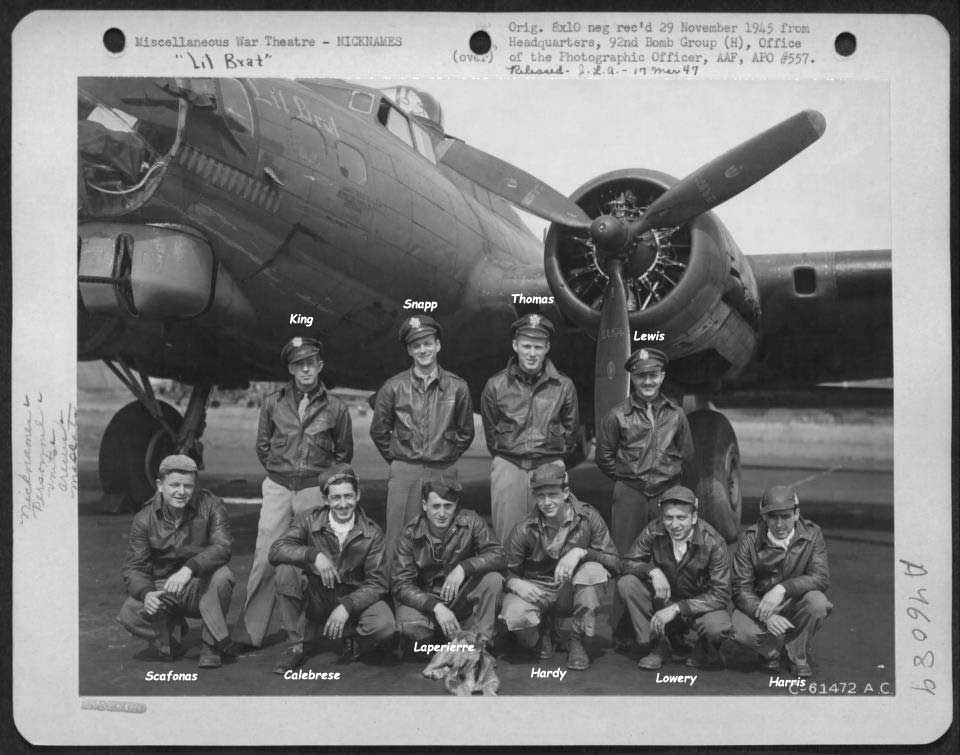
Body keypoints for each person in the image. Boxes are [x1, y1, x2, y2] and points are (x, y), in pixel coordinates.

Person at [235, 336, 354, 648]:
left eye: (310, 363)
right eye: (298, 364)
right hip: (278, 487)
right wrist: (281, 473)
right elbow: (263, 445)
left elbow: (343, 455)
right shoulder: (273, 402)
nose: (305, 370)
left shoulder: (336, 408)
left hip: (314, 489)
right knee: (265, 556)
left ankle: (317, 631)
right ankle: (250, 631)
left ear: (320, 366)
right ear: (290, 368)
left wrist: (320, 486)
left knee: (319, 560)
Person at [595, 347, 693, 644]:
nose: (647, 381)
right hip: (631, 493)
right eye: (641, 376)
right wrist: (630, 477)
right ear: (633, 379)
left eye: (653, 375)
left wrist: (664, 478)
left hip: (665, 494)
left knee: (668, 558)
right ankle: (624, 629)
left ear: (662, 376)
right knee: (626, 557)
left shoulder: (677, 415)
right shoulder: (617, 415)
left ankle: (673, 627)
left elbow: (686, 452)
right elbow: (605, 457)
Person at [268, 465, 396, 673]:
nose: (343, 504)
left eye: (348, 496)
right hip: (317, 595)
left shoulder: (372, 533)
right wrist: (313, 555)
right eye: (336, 498)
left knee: (385, 626)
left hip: (353, 599)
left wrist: (347, 606)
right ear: (325, 499)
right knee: (286, 572)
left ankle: (351, 635)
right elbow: (277, 550)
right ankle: (297, 645)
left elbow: (378, 583)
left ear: (358, 495)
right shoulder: (308, 519)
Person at [116, 455, 237, 669]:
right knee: (129, 613)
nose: (181, 492)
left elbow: (223, 546)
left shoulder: (212, 506)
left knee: (223, 576)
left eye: (188, 486)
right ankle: (170, 636)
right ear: (160, 485)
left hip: (199, 586)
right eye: (174, 485)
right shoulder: (144, 518)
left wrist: (189, 569)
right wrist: (147, 594)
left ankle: (211, 644)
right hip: (164, 589)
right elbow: (134, 567)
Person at [370, 315, 475, 559]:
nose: (423, 350)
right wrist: (399, 459)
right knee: (399, 536)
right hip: (405, 470)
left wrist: (445, 452)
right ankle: (395, 592)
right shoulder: (394, 387)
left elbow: (466, 431)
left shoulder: (458, 387)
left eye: (428, 343)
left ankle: (438, 593)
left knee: (443, 532)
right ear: (409, 350)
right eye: (416, 346)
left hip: (442, 467)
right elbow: (378, 430)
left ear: (438, 345)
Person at [500, 461, 620, 671]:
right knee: (515, 614)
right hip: (538, 592)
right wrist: (515, 583)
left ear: (565, 493)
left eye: (552, 494)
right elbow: (505, 569)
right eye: (540, 496)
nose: (546, 502)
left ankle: (577, 639)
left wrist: (580, 552)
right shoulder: (523, 528)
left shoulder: (588, 518)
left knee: (592, 572)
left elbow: (615, 562)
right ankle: (543, 629)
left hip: (570, 590)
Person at [480, 313, 579, 543]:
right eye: (526, 346)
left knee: (553, 536)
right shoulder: (495, 385)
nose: (532, 353)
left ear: (547, 348)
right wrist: (510, 454)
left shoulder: (564, 386)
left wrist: (552, 457)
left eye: (538, 346)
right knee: (508, 537)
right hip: (509, 465)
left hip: (548, 465)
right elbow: (491, 432)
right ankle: (510, 579)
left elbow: (571, 432)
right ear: (515, 346)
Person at [617, 485, 732, 671]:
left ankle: (704, 647)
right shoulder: (653, 530)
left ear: (694, 518)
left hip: (698, 605)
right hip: (665, 598)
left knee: (717, 626)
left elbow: (721, 594)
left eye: (682, 518)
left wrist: (679, 608)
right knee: (627, 583)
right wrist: (652, 571)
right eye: (668, 518)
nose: (675, 525)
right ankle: (657, 644)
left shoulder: (714, 543)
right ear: (662, 517)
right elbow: (627, 562)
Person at [392, 472, 505, 650]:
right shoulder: (410, 533)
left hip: (461, 597)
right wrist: (436, 607)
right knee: (410, 624)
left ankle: (481, 642)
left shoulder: (471, 521)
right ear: (424, 506)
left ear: (456, 506)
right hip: (427, 602)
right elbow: (401, 584)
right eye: (435, 506)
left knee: (493, 579)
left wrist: (463, 567)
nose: (442, 513)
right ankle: (441, 637)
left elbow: (498, 554)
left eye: (448, 506)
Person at [731, 485, 832, 678]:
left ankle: (797, 655)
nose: (779, 524)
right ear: (763, 516)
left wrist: (783, 588)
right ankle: (771, 650)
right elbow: (740, 588)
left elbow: (820, 576)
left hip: (794, 601)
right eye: (772, 517)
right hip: (760, 605)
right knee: (740, 631)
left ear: (796, 514)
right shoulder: (749, 539)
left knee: (818, 603)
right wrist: (766, 616)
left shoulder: (812, 534)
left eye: (785, 516)